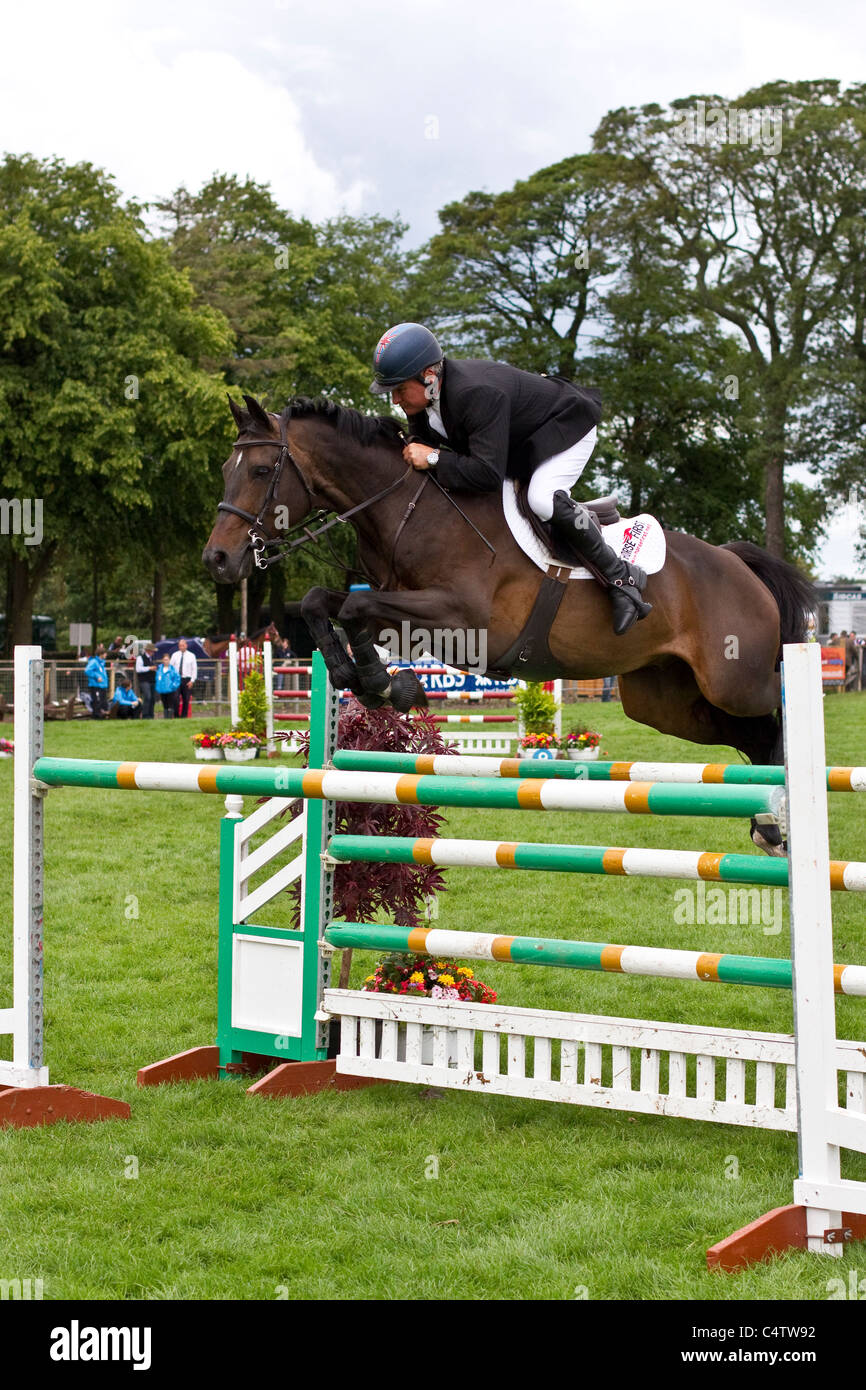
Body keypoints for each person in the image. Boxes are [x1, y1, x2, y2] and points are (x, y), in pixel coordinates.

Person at [370, 322, 651, 635]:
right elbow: (422, 448)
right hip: (516, 446)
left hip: (565, 429)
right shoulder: (423, 399)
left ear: (428, 376)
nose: (395, 400)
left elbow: (485, 474)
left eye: (397, 389)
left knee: (541, 499)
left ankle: (621, 578)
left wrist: (433, 458)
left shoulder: (475, 393)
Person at [170, 639, 198, 718]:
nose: (181, 647)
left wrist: (192, 681)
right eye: (180, 646)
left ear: (186, 645)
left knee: (186, 699)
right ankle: (176, 715)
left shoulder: (191, 655)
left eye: (183, 645)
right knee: (175, 698)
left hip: (187, 679)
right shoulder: (174, 655)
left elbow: (194, 669)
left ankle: (184, 716)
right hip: (176, 679)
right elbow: (171, 668)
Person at [84, 645, 109, 719]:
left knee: (102, 702)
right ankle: (97, 717)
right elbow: (87, 671)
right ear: (101, 654)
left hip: (102, 686)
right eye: (105, 653)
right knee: (96, 702)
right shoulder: (94, 662)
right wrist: (97, 677)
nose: (106, 655)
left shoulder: (102, 663)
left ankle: (102, 716)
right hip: (96, 686)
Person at [135, 643, 157, 719]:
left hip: (152, 680)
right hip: (144, 680)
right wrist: (149, 668)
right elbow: (138, 669)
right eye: (152, 651)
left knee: (153, 698)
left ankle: (151, 714)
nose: (153, 653)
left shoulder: (152, 659)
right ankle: (145, 714)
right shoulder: (140, 658)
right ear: (148, 650)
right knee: (147, 697)